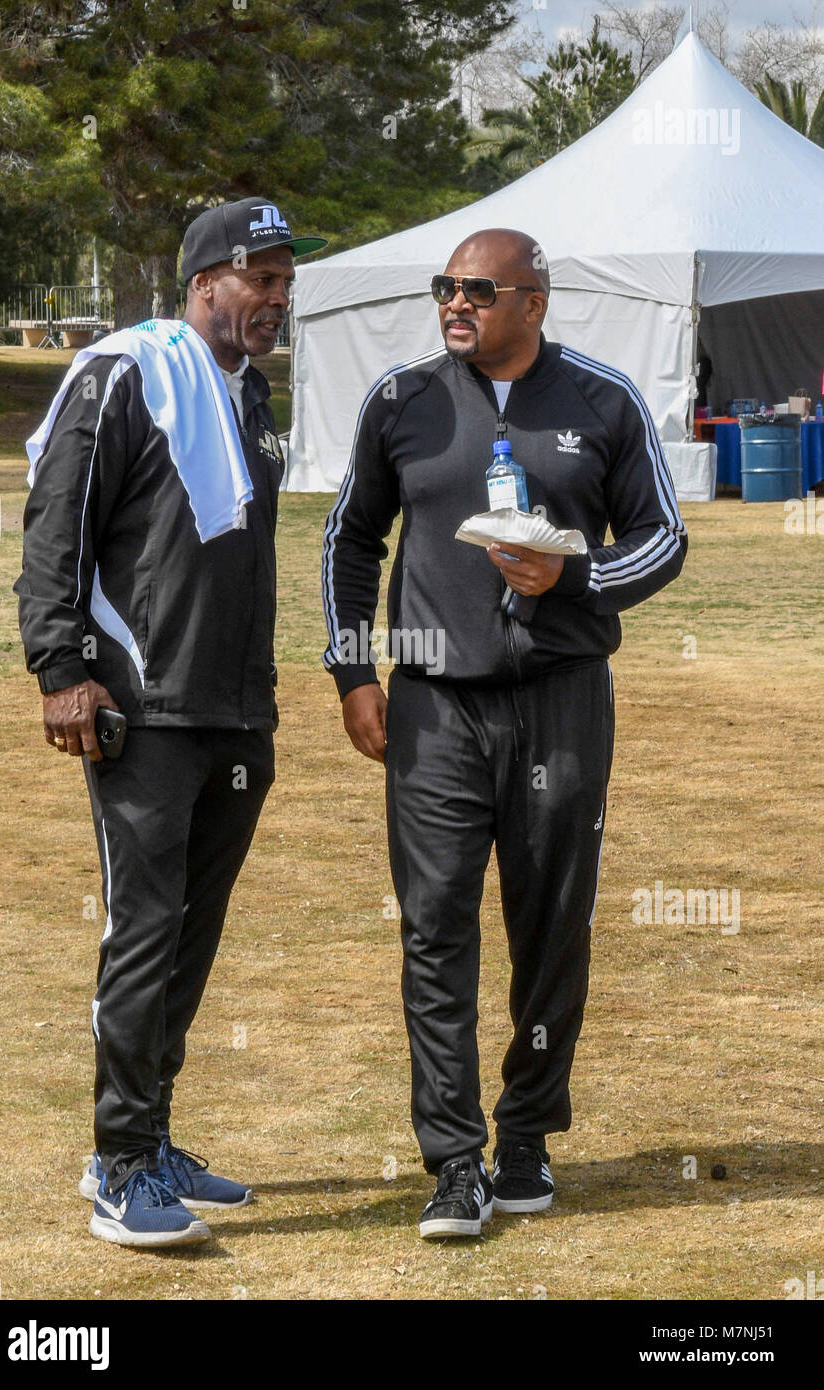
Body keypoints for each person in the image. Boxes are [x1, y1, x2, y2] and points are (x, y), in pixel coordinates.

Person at [321, 227, 687, 1239]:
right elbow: (349, 538)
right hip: (433, 706)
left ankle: (524, 1131)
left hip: (561, 700)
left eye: (477, 290)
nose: (454, 303)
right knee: (433, 924)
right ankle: (450, 1160)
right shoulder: (399, 401)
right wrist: (354, 668)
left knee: (549, 923)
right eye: (444, 287)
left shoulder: (601, 399)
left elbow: (662, 537)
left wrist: (571, 576)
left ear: (533, 300)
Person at [15, 197, 326, 1248]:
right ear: (204, 282)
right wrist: (61, 668)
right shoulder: (124, 369)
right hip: (141, 709)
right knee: (142, 929)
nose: (276, 299)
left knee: (191, 934)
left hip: (234, 710)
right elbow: (56, 521)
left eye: (285, 281)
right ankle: (115, 1166)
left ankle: (152, 1137)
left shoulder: (250, 394)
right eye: (260, 278)